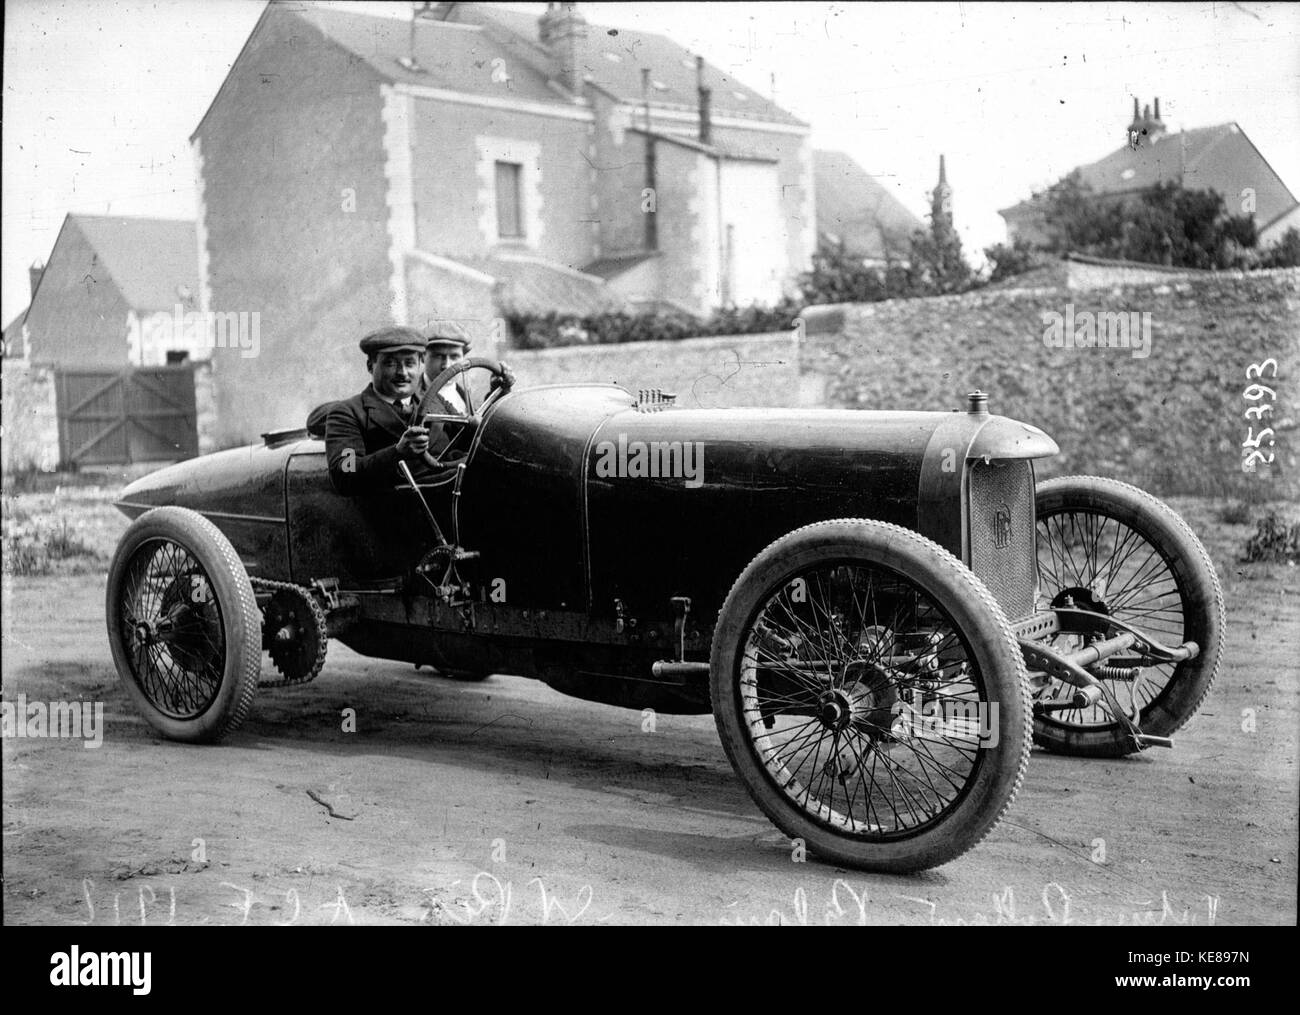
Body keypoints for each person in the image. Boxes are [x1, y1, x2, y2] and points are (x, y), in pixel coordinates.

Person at [326, 326, 448, 496]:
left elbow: (471, 440)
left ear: (420, 365)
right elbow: (344, 474)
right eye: (390, 363)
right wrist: (397, 453)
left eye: (409, 363)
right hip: (403, 509)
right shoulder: (347, 413)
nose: (402, 373)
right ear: (370, 366)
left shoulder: (436, 402)